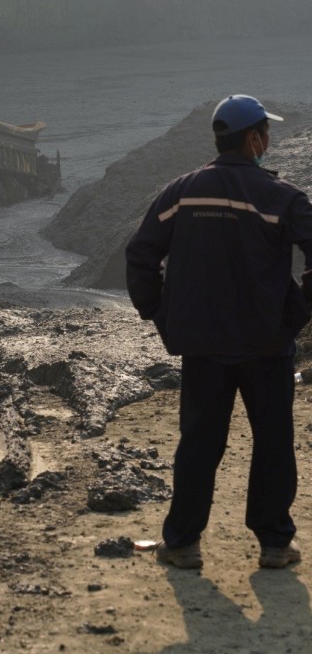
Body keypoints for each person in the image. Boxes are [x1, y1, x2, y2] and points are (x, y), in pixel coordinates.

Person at [125, 94, 312, 570]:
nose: (268, 140)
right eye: (266, 133)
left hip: (202, 348)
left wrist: (162, 315)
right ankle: (274, 544)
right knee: (272, 441)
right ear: (254, 139)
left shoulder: (181, 192)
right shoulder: (282, 197)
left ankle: (183, 544)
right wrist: (297, 314)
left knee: (199, 443)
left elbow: (141, 255)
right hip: (267, 347)